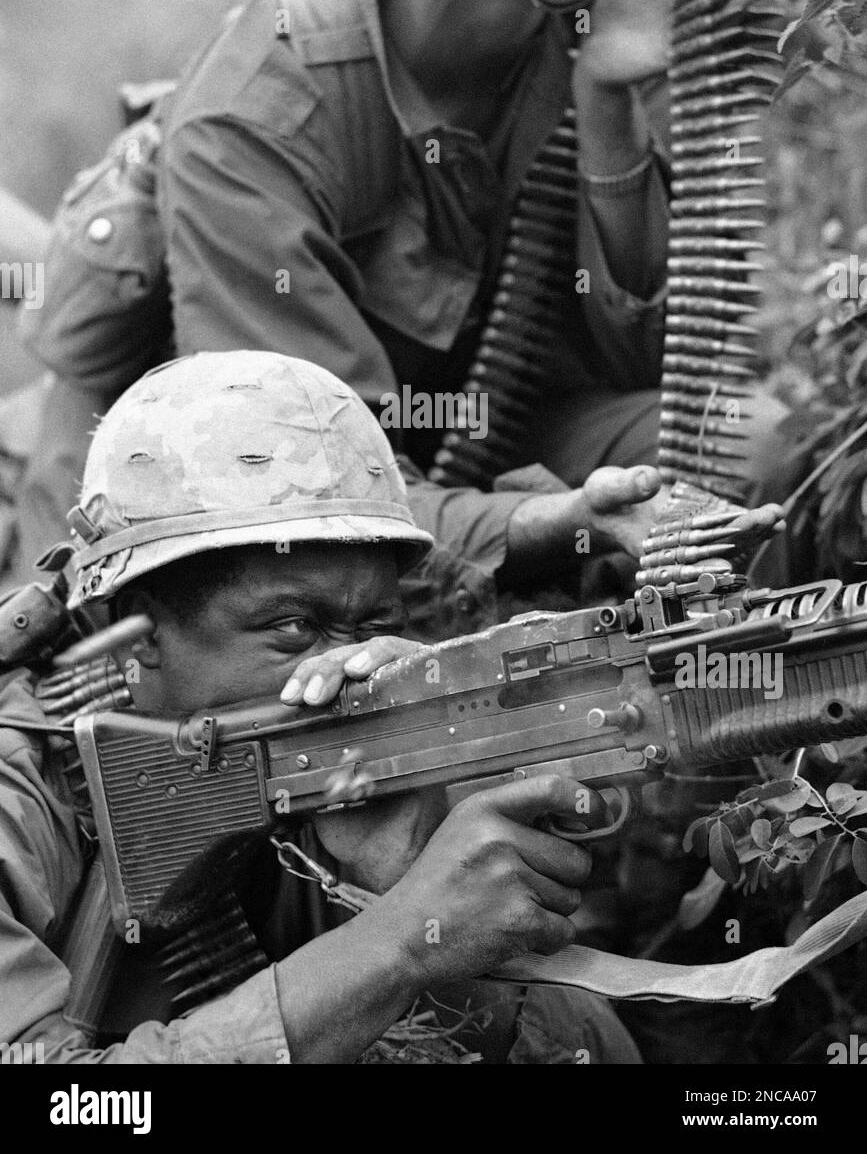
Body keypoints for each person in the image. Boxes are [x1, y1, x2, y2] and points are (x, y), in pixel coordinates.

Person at [17, 0, 789, 610]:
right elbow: (306, 500)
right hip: (240, 499)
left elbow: (665, 366)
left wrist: (606, 102)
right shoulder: (254, 121)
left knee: (742, 450)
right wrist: (554, 520)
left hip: (490, 438)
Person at [0, 349, 666, 1063]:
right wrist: (395, 941)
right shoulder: (22, 797)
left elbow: (547, 1048)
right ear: (142, 629)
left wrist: (408, 882)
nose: (340, 671)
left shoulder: (326, 764)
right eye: (294, 627)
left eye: (373, 625)